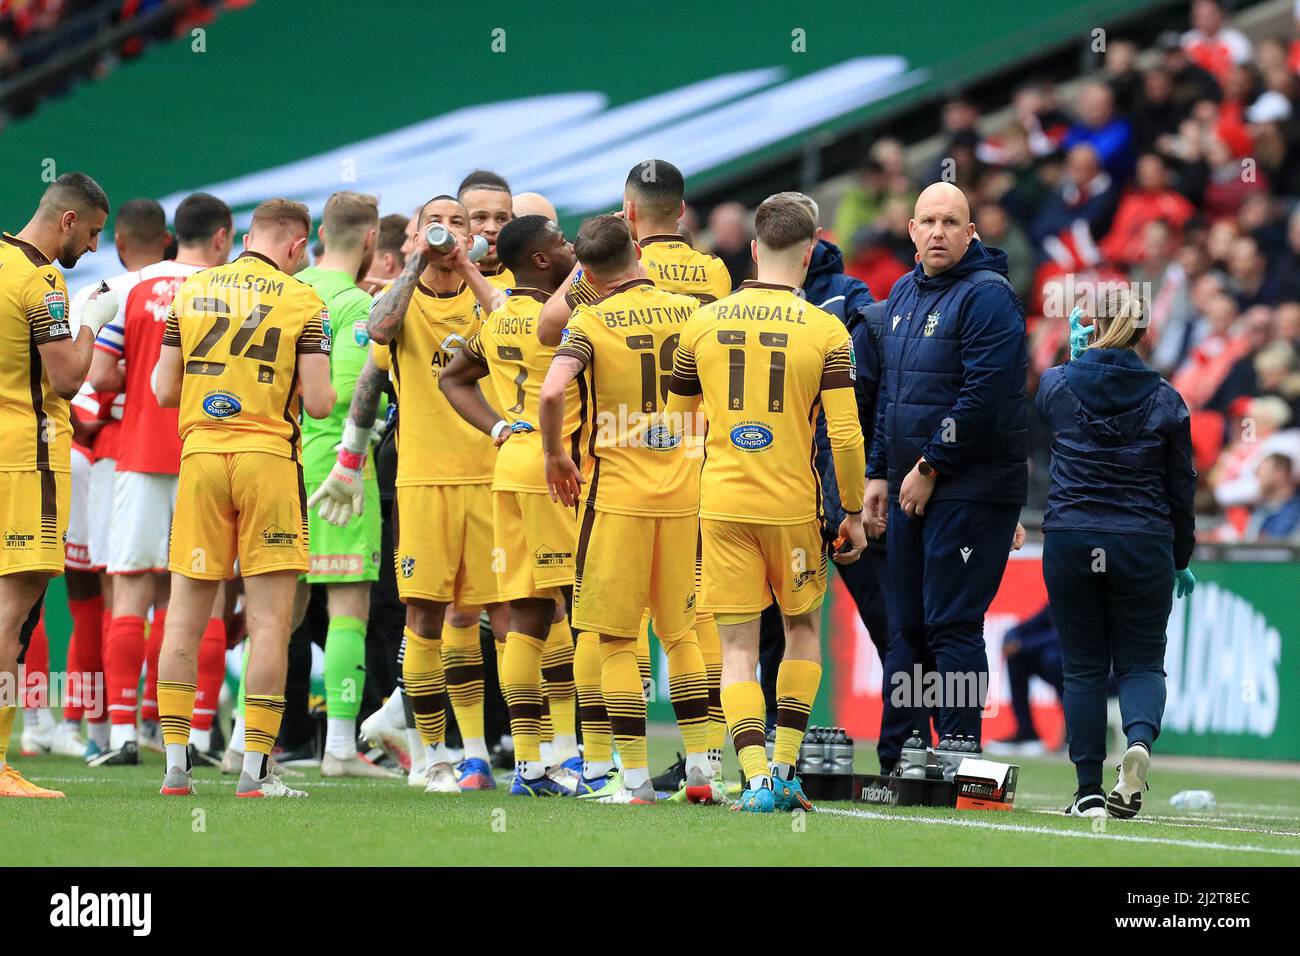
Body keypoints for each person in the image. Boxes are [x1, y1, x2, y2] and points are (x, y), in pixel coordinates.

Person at [666, 195, 867, 813]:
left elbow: (676, 430)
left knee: (736, 649)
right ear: (810, 253)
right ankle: (784, 770)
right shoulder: (828, 330)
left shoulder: (701, 325)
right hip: (794, 508)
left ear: (753, 249)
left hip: (723, 503)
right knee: (802, 631)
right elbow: (847, 436)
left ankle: (751, 778)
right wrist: (853, 511)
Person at [312, 196, 504, 794]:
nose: (451, 233)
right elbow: (379, 335)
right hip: (421, 479)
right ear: (415, 233)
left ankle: (481, 756)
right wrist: (419, 263)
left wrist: (466, 265)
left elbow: (506, 320)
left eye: (462, 223)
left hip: (490, 474)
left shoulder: (495, 290)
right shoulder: (399, 294)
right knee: (421, 617)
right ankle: (434, 756)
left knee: (479, 618)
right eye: (436, 223)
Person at [153, 198, 335, 799]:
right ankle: (255, 772)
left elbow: (162, 388)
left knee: (183, 615)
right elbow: (318, 403)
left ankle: (176, 765)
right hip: (268, 463)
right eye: (304, 248)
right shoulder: (304, 301)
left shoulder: (192, 290)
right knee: (269, 624)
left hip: (201, 457)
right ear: (292, 245)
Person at [538, 214, 714, 805]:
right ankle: (703, 775)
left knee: (614, 638)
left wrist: (554, 456)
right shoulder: (691, 311)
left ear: (585, 271)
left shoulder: (587, 321)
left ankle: (633, 780)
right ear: (638, 250)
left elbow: (552, 391)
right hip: (685, 490)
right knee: (682, 632)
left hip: (618, 495)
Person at [865, 182, 1028, 754]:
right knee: (908, 625)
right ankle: (910, 751)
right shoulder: (903, 293)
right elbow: (892, 393)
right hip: (911, 484)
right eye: (928, 221)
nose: (938, 232)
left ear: (970, 233)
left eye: (951, 222)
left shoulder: (988, 296)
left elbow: (983, 398)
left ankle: (959, 749)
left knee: (952, 622)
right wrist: (880, 472)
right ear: (910, 231)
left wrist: (930, 465)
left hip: (969, 486)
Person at [440, 214, 596, 796]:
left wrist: (499, 427)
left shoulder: (500, 314)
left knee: (526, 618)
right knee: (588, 610)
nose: (568, 247)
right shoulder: (568, 319)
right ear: (539, 259)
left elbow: (453, 379)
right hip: (559, 473)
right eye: (559, 243)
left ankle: (532, 766)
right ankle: (596, 757)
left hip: (509, 471)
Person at [1037, 291, 1196, 819]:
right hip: (1143, 540)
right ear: (1145, 332)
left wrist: (1075, 359)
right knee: (1143, 662)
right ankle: (1140, 745)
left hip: (1072, 537)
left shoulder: (1058, 384)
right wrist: (1181, 555)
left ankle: (1086, 791)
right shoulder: (1169, 399)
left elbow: (1040, 407)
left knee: (1082, 668)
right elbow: (1182, 488)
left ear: (1091, 325)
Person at [88, 193, 233, 769]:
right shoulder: (233, 292)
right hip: (208, 456)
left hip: (139, 455)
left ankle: (123, 730)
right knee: (206, 597)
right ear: (221, 237)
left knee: (131, 589)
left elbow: (99, 375)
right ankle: (192, 735)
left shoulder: (136, 290)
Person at [0, 172, 114, 798]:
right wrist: (91, 321)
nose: (94, 248)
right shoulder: (42, 280)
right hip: (29, 455)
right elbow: (69, 378)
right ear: (68, 220)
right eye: (93, 232)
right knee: (15, 611)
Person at [294, 192, 399, 779]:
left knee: (276, 607)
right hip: (336, 468)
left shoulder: (292, 288)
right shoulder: (358, 305)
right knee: (348, 607)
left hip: (282, 460)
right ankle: (338, 748)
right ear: (367, 242)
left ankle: (241, 748)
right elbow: (337, 402)